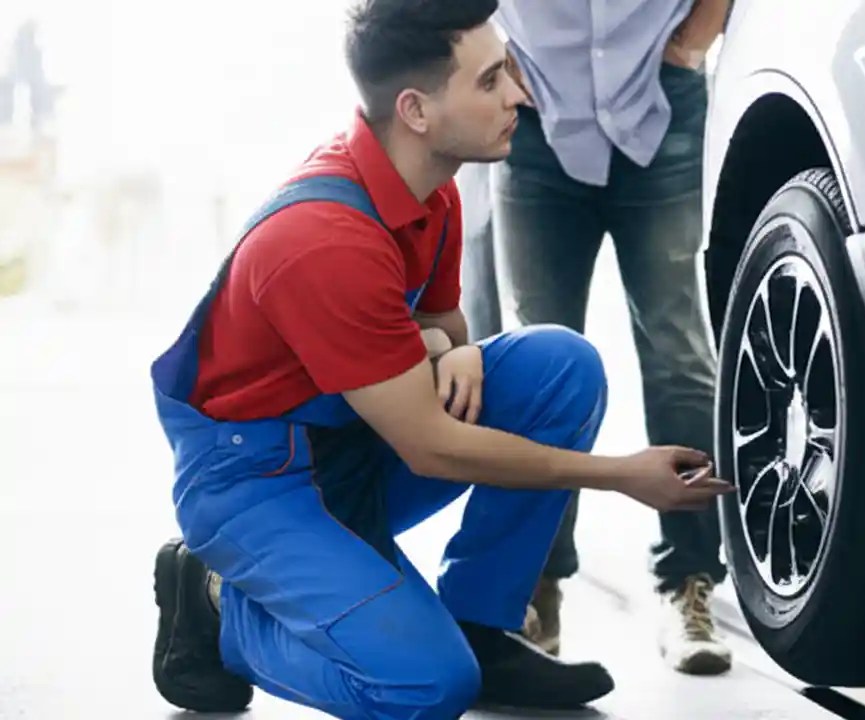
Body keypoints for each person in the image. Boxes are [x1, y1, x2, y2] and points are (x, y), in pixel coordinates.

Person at [147, 1, 731, 718]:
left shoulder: (431, 188)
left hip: (352, 445)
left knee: (559, 365)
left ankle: (481, 626)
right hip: (256, 482)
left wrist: (440, 346)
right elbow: (430, 447)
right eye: (491, 82)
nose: (520, 95)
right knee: (425, 685)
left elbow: (442, 327)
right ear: (416, 110)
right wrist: (619, 476)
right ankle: (213, 609)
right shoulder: (323, 240)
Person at [482, 0, 734, 674]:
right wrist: (482, 46)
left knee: (679, 353)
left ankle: (690, 585)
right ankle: (538, 589)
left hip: (660, 103)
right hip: (531, 118)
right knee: (538, 363)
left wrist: (693, 39)